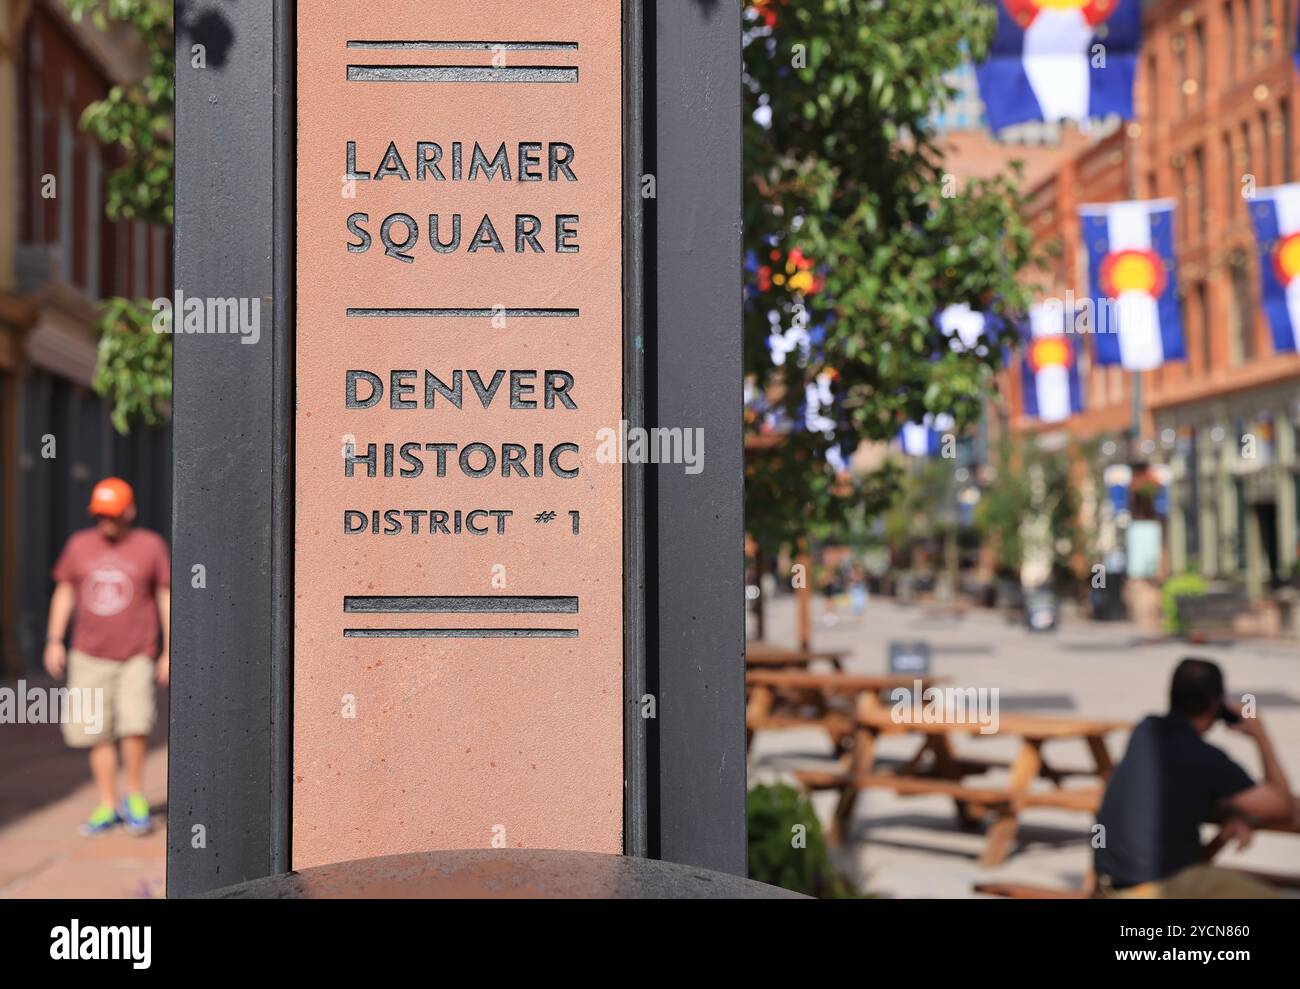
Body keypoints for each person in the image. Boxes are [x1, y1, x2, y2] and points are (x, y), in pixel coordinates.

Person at [1093, 657, 1294, 898]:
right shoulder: (1204, 757)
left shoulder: (1146, 731)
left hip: (1108, 889)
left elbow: (1177, 852)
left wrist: (1225, 827)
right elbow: (1283, 806)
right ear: (1215, 705)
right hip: (1155, 891)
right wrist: (1260, 735)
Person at [43, 477, 170, 837]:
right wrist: (54, 639)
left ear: (129, 511)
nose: (106, 522)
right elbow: (65, 592)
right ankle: (107, 802)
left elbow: (164, 597)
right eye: (100, 515)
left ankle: (134, 797)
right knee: (95, 732)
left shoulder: (150, 546)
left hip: (135, 655)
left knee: (135, 725)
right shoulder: (79, 546)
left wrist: (168, 651)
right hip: (88, 655)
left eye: (112, 515)